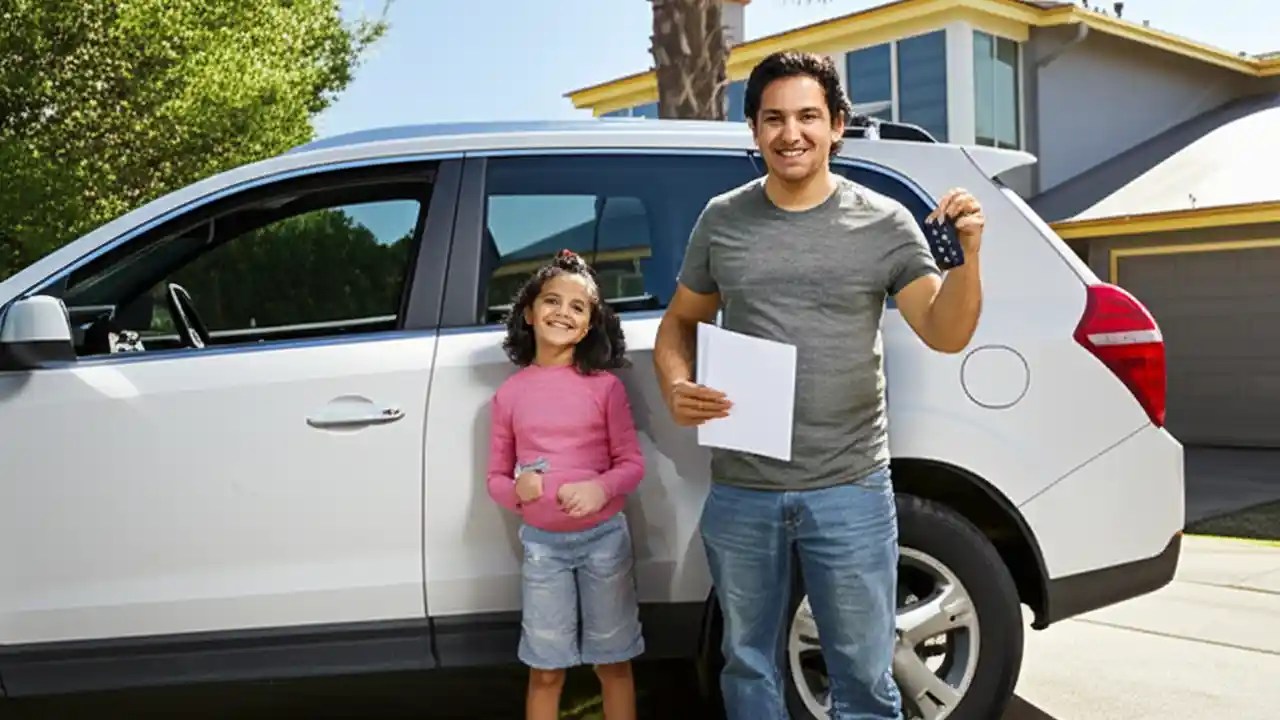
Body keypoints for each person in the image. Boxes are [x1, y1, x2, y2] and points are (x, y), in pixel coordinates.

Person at [653, 51, 986, 720]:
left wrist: (968, 259)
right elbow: (680, 322)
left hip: (849, 486)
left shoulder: (884, 222)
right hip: (744, 487)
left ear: (836, 125)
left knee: (863, 674)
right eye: (773, 118)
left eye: (807, 116)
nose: (790, 133)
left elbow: (944, 332)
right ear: (754, 129)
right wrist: (676, 381)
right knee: (748, 664)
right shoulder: (722, 219)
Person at [486, 249, 646, 720]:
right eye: (552, 301)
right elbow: (495, 478)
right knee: (546, 670)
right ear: (529, 313)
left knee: (613, 663)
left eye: (578, 307)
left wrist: (601, 489)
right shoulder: (510, 394)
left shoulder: (605, 388)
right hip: (543, 549)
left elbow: (631, 464)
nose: (563, 312)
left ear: (589, 326)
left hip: (604, 542)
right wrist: (518, 492)